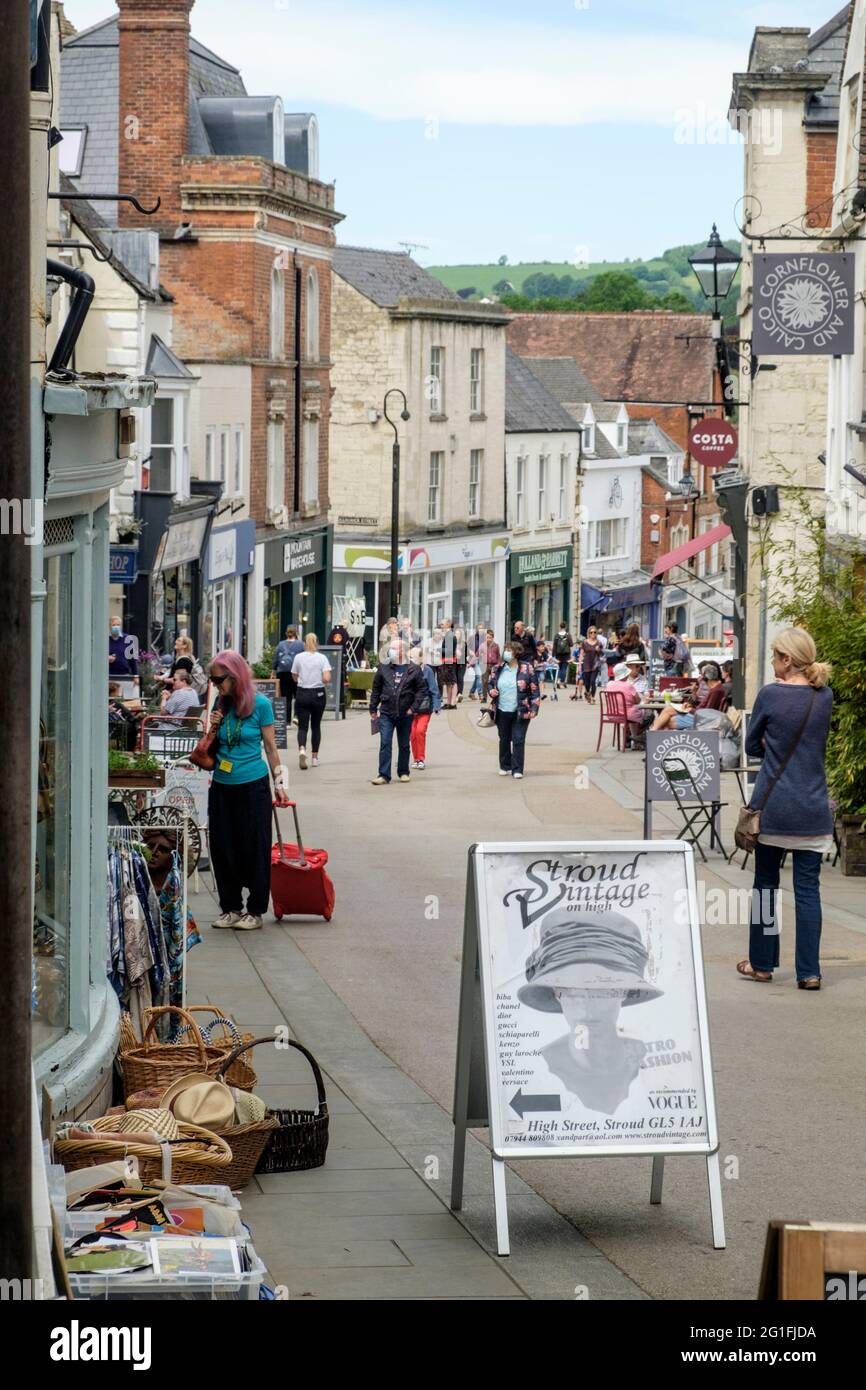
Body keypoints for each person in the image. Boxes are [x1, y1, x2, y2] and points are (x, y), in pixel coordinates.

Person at [738, 627, 833, 990]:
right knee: (808, 890)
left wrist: (769, 746)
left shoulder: (770, 695)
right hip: (812, 807)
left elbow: (752, 746)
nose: (773, 662)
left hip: (774, 808)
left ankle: (762, 964)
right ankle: (809, 972)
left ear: (787, 659)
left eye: (775, 655)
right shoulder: (824, 697)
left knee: (766, 885)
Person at [207, 651, 290, 931]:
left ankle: (255, 910)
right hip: (221, 785)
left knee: (254, 846)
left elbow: (270, 746)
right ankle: (230, 907)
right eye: (213, 679)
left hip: (253, 786)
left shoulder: (262, 705)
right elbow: (210, 744)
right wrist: (213, 726)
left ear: (235, 676)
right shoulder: (221, 703)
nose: (215, 684)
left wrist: (280, 783)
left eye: (219, 679)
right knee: (222, 847)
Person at [370, 638, 426, 784]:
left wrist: (413, 708)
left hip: (405, 713)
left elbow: (421, 690)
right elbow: (376, 688)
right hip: (387, 712)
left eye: (395, 648)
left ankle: (403, 772)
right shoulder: (384, 667)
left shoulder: (414, 668)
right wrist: (373, 708)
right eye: (391, 648)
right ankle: (383, 775)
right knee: (385, 743)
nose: (391, 651)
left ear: (403, 651)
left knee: (404, 744)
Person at [488, 639, 540, 779]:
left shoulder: (527, 668)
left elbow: (535, 690)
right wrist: (491, 691)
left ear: (516, 653)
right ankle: (505, 765)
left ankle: (517, 769)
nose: (506, 653)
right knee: (504, 739)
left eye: (509, 650)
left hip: (521, 710)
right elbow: (491, 684)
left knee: (518, 739)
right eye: (506, 650)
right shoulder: (497, 668)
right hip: (501, 710)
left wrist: (534, 708)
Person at [291, 633, 331, 770]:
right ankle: (314, 757)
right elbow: (326, 677)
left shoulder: (298, 657)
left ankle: (302, 749)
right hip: (318, 693)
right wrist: (320, 679)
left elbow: (294, 676)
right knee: (316, 726)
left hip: (302, 693)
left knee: (302, 726)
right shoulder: (322, 658)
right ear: (317, 642)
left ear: (304, 643)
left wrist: (301, 679)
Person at [409, 645, 441, 769]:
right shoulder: (408, 669)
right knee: (412, 734)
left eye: (413, 656)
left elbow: (433, 689)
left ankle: (421, 759)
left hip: (424, 707)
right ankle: (415, 758)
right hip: (411, 708)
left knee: (420, 731)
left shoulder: (427, 670)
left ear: (421, 658)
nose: (410, 659)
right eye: (410, 656)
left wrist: (437, 705)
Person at [272, 626, 304, 726]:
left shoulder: (281, 644)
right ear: (296, 633)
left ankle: (287, 722)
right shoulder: (300, 644)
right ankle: (297, 716)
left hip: (282, 673)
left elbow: (276, 659)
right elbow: (304, 658)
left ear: (286, 633)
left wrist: (273, 671)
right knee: (298, 695)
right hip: (296, 673)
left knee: (286, 697)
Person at [438, 619, 459, 708]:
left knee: (452, 682)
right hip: (447, 661)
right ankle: (449, 702)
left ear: (448, 625)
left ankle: (452, 703)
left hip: (449, 661)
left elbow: (449, 651)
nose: (441, 626)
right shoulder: (448, 635)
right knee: (448, 682)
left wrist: (438, 650)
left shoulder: (450, 635)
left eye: (442, 624)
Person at [579, 627, 602, 704]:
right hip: (586, 664)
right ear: (588, 633)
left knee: (593, 682)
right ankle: (587, 693)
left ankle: (592, 697)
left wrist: (598, 650)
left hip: (595, 664)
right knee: (587, 683)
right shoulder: (584, 642)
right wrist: (579, 664)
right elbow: (581, 653)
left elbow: (601, 654)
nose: (593, 634)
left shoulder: (599, 643)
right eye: (591, 632)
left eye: (595, 632)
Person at [482, 629, 500, 701]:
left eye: (490, 637)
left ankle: (494, 694)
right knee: (484, 681)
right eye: (487, 637)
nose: (488, 639)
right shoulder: (482, 645)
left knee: (494, 681)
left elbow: (498, 656)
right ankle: (484, 697)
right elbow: (477, 654)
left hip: (494, 665)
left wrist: (499, 664)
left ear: (493, 638)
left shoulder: (496, 646)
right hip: (485, 665)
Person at [553, 622, 572, 689]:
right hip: (566, 655)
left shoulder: (556, 635)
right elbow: (571, 644)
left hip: (558, 654)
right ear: (565, 627)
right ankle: (560, 681)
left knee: (560, 668)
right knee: (564, 669)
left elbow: (554, 645)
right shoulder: (568, 635)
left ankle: (560, 681)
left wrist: (553, 655)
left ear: (560, 627)